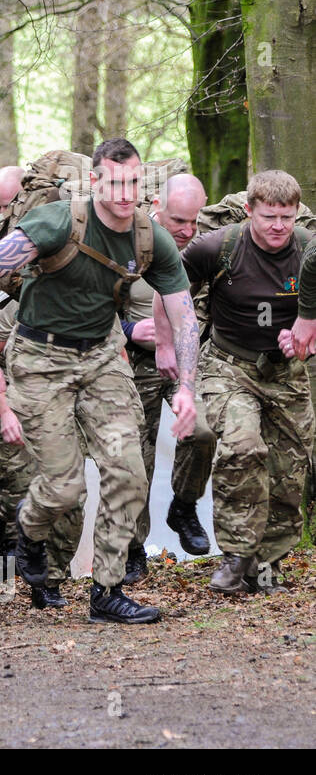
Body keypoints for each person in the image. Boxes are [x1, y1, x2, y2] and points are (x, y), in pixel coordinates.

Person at [0, 138, 200, 624]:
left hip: (100, 359)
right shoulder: (59, 221)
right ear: (95, 181)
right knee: (64, 486)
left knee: (129, 473)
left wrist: (188, 390)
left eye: (133, 183)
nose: (124, 194)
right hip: (39, 356)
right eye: (114, 183)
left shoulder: (149, 237)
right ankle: (29, 532)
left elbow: (185, 321)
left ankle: (107, 591)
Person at [182, 170, 313, 593]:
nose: (278, 227)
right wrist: (168, 346)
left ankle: (267, 562)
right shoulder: (217, 247)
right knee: (242, 447)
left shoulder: (308, 252)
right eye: (269, 216)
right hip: (228, 365)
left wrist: (307, 337)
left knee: (288, 472)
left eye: (287, 218)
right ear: (249, 210)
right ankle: (237, 554)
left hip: (287, 373)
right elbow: (172, 291)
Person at [119, 174, 214, 580]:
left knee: (203, 433)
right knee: (134, 460)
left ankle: (184, 504)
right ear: (156, 204)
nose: (187, 230)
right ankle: (132, 547)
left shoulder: (210, 244)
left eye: (194, 221)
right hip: (132, 362)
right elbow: (92, 300)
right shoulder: (126, 238)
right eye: (179, 221)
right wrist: (126, 330)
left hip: (185, 359)